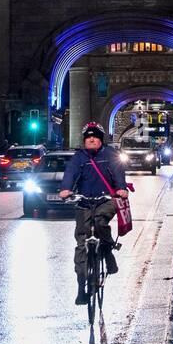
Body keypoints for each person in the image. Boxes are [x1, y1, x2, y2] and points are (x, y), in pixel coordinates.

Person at [59, 121, 129, 306]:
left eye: (95, 136)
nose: (91, 139)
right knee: (81, 243)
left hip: (106, 200)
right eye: (88, 136)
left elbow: (118, 174)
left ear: (101, 139)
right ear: (84, 140)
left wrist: (121, 189)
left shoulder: (110, 155)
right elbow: (70, 173)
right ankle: (81, 288)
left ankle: (107, 251)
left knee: (99, 221)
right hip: (83, 202)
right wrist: (66, 189)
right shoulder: (78, 157)